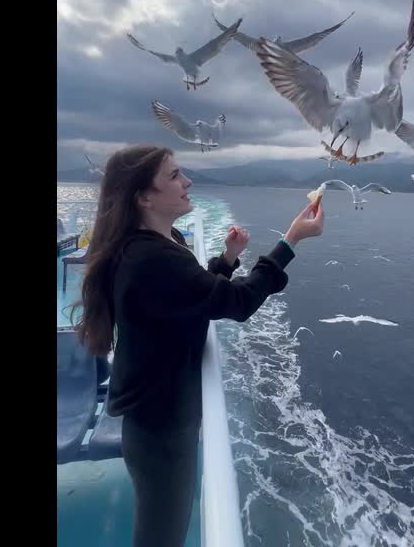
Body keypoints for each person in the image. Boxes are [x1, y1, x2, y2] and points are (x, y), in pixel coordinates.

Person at [69, 144, 324, 547]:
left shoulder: (150, 245)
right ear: (145, 196)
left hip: (153, 423)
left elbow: (186, 293)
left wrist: (227, 258)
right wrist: (290, 241)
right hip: (162, 434)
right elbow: (237, 303)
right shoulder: (152, 257)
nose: (187, 181)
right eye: (174, 175)